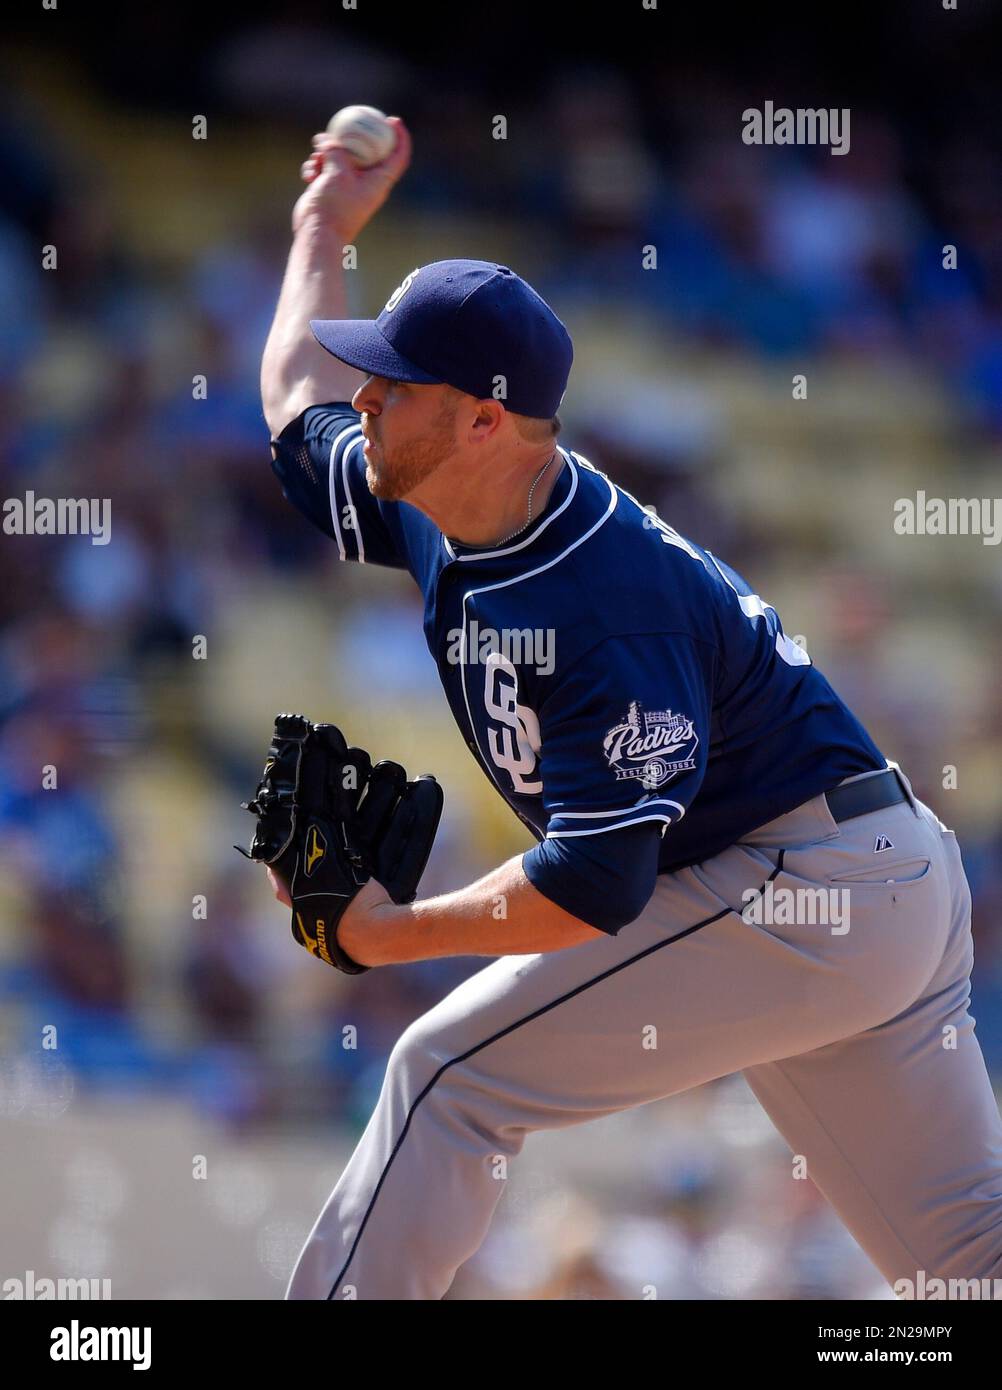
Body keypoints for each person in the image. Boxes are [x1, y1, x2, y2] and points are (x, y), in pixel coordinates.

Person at [260, 119, 1002, 1301]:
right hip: (860, 886)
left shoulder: (607, 603)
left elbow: (593, 888)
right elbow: (299, 412)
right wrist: (319, 230)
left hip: (810, 888)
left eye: (394, 386)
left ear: (485, 421)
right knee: (972, 1269)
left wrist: (381, 935)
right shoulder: (439, 495)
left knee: (448, 1076)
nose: (367, 396)